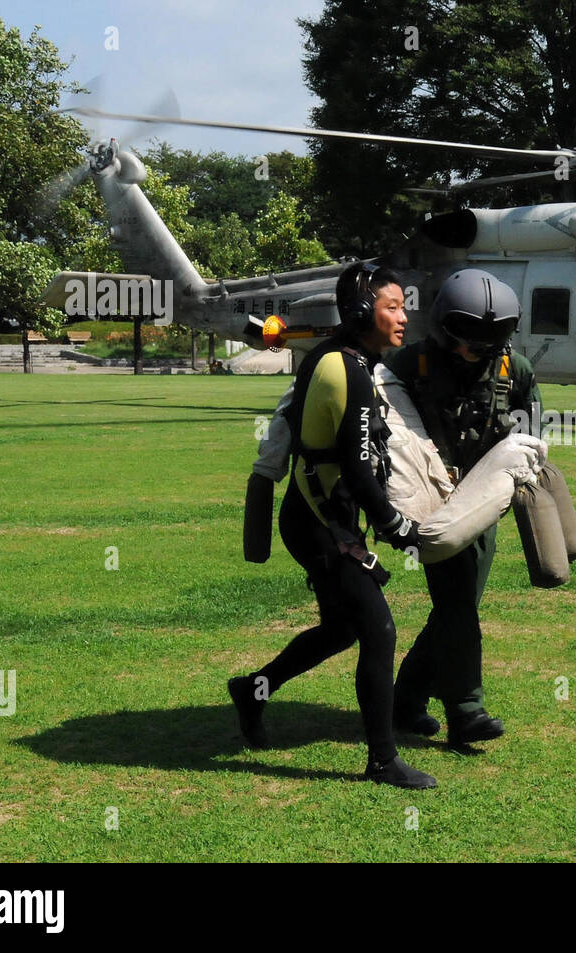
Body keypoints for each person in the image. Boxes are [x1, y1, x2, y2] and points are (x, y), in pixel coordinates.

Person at [228, 263, 436, 789]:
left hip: (318, 517)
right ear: (363, 312)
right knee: (379, 631)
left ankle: (252, 689)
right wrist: (397, 527)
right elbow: (362, 471)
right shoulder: (347, 371)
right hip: (322, 525)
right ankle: (383, 761)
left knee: (343, 629)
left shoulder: (340, 360)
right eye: (392, 307)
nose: (403, 317)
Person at [384, 269, 541, 746]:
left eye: (488, 344)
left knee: (458, 607)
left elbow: (531, 430)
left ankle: (405, 701)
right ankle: (465, 709)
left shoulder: (516, 369)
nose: (478, 352)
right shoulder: (408, 366)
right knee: (457, 606)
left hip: (483, 503)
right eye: (470, 343)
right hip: (430, 502)